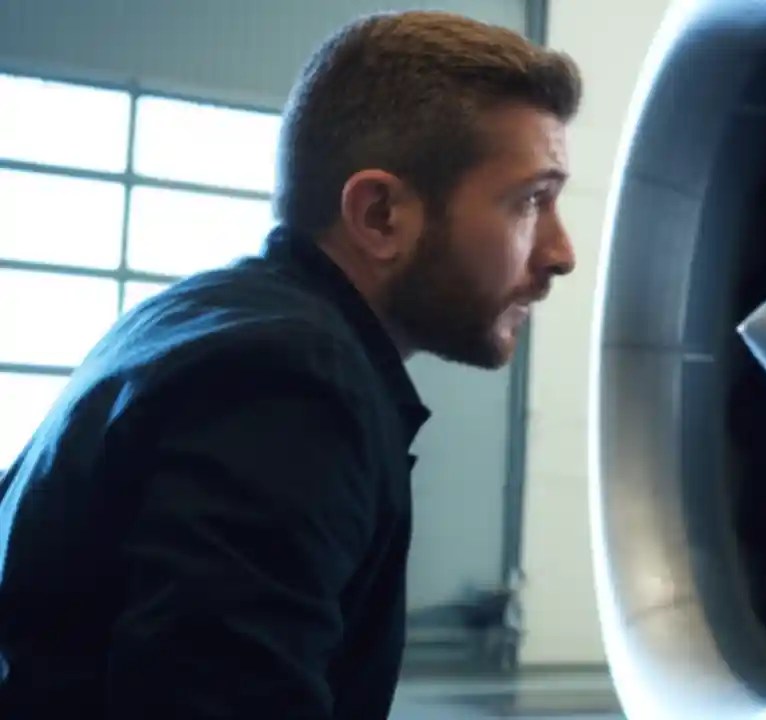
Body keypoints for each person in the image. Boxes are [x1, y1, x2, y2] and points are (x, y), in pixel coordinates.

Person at [0, 11, 580, 719]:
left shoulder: (205, 315)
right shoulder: (291, 384)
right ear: (379, 216)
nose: (560, 252)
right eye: (530, 202)